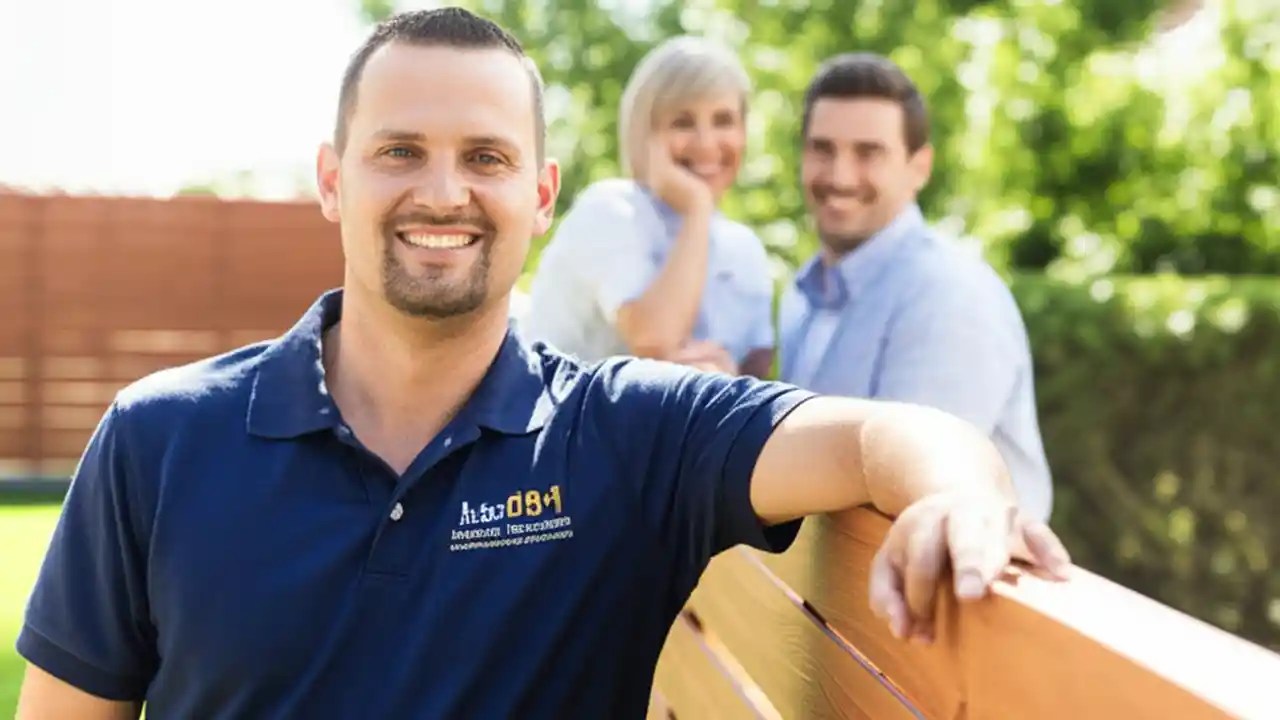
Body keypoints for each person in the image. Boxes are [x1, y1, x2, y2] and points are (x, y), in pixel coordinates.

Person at [15, 10, 1070, 719]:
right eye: (399, 151)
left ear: (542, 193)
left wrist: (958, 493)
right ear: (333, 179)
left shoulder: (624, 436)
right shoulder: (159, 438)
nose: (442, 192)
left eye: (485, 157)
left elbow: (890, 433)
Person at [779, 53, 1054, 522]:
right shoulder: (801, 297)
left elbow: (909, 499)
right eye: (822, 149)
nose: (840, 176)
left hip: (953, 590)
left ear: (918, 167)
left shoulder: (947, 296)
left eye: (869, 152)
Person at [522, 36, 776, 377]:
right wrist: (698, 208)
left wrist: (729, 378)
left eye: (723, 121)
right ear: (643, 133)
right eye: (682, 122)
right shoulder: (609, 211)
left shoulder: (745, 251)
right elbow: (655, 341)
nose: (706, 144)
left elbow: (759, 385)